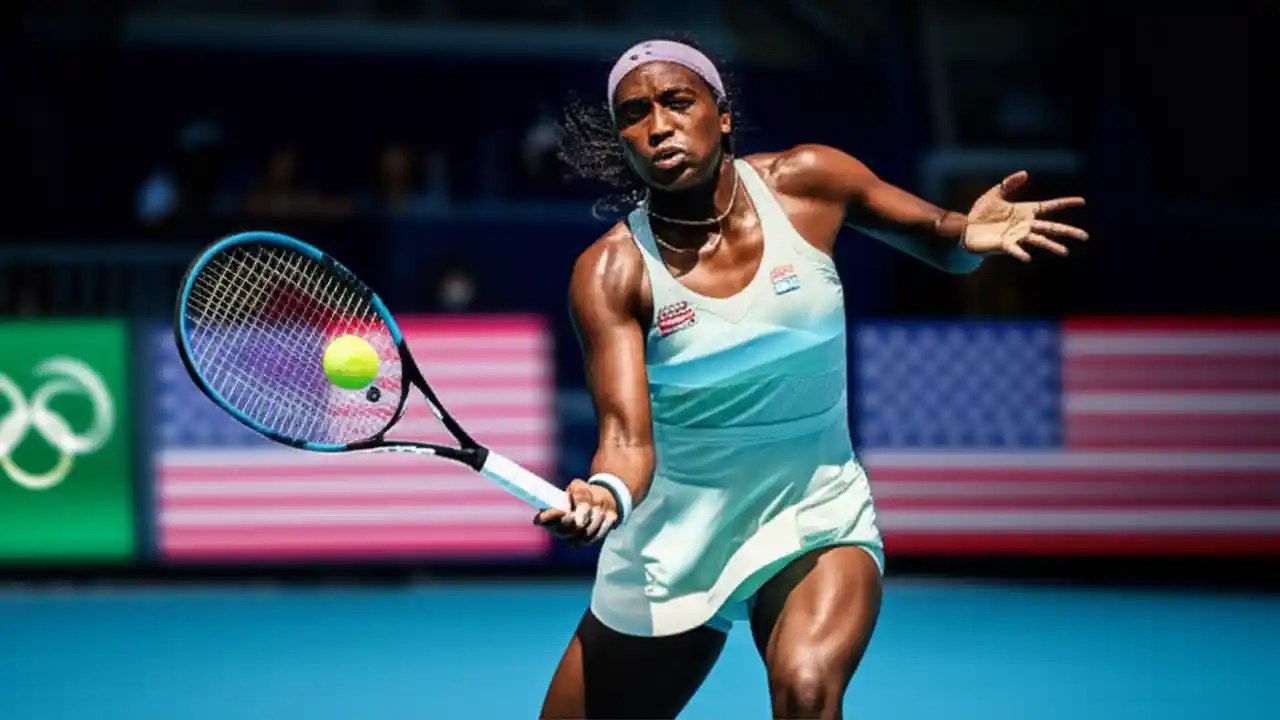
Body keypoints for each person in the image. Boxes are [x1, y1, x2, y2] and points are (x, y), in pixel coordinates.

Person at [534, 38, 1088, 719]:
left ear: (722, 114)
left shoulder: (809, 182)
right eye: (635, 115)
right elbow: (626, 440)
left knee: (806, 687)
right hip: (672, 538)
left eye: (679, 102)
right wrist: (606, 493)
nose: (658, 127)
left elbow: (945, 238)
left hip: (813, 512)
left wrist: (971, 236)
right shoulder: (610, 270)